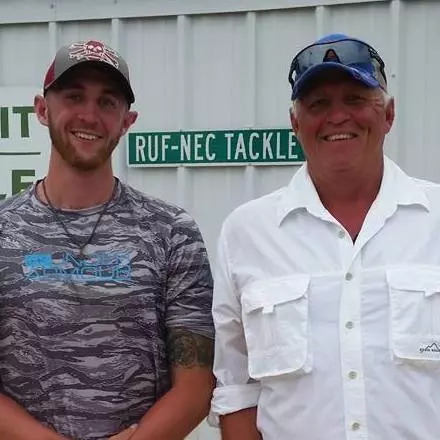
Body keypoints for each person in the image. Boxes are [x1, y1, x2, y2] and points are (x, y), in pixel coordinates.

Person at [210, 33, 440, 440]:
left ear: (388, 114)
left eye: (355, 99)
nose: (337, 117)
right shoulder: (247, 232)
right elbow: (236, 389)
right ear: (295, 123)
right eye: (318, 104)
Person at [0, 40, 215, 440]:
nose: (90, 115)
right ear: (42, 109)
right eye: (74, 96)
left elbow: (195, 386)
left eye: (107, 102)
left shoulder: (172, 232)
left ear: (127, 120)